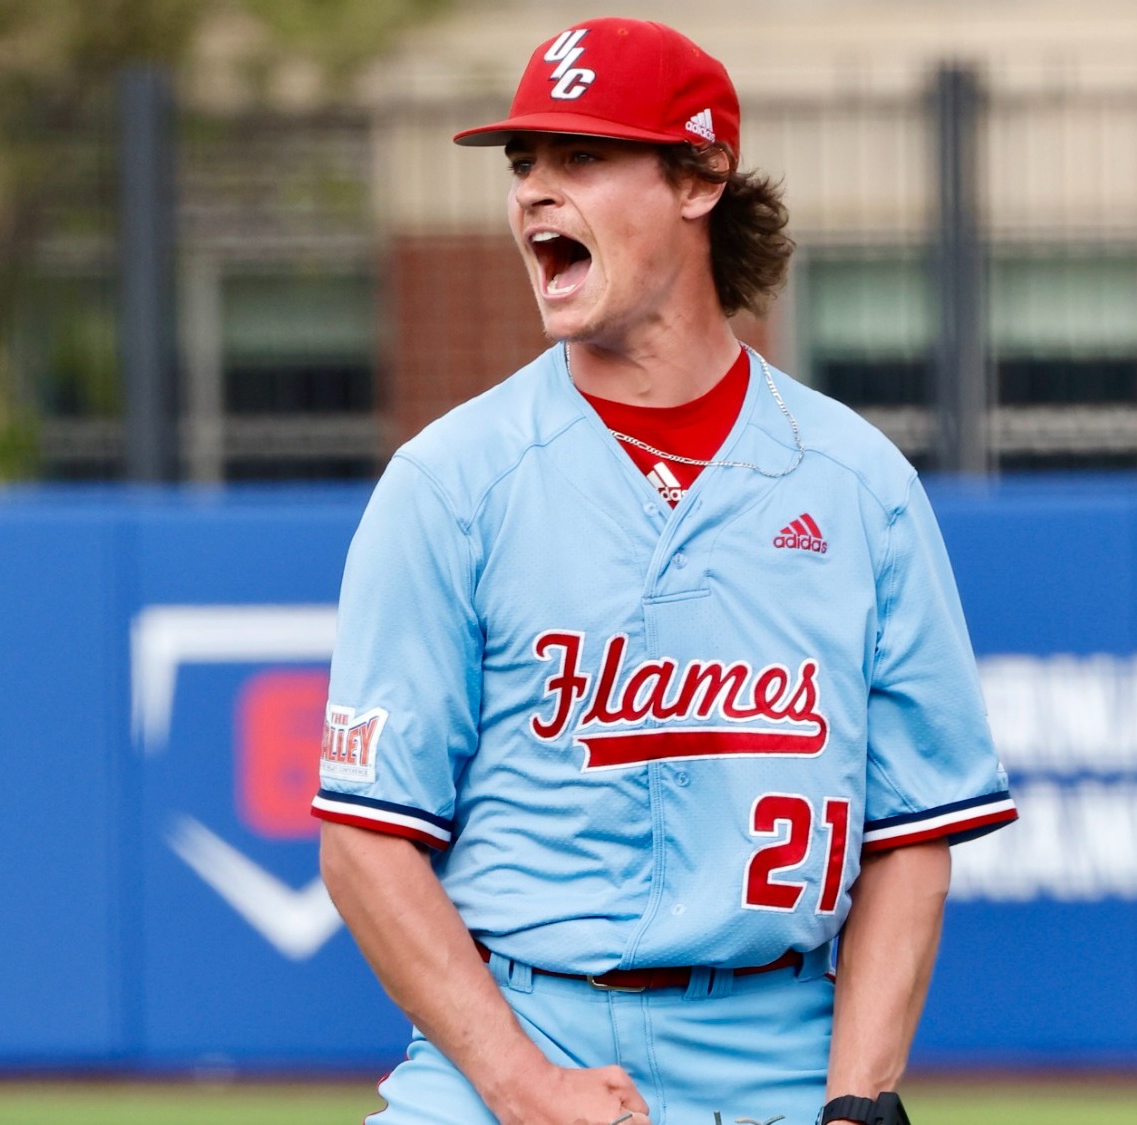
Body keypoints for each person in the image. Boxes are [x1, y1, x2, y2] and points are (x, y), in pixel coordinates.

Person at [312, 17, 1015, 1125]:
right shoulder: (450, 482)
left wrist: (856, 1099)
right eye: (523, 163)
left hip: (777, 1046)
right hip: (516, 1032)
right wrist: (523, 1085)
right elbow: (365, 837)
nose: (534, 193)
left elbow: (909, 834)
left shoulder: (857, 483)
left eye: (582, 155)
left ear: (699, 178)